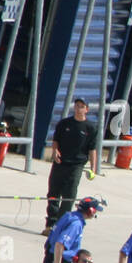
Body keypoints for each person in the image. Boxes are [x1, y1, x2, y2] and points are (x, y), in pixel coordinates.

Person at [43, 97, 98, 234]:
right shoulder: (64, 123)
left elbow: (92, 149)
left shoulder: (91, 128)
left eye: (82, 106)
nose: (78, 108)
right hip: (60, 163)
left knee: (69, 196)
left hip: (76, 165)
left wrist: (93, 168)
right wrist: (55, 151)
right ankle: (50, 225)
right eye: (77, 105)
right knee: (53, 194)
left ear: (87, 109)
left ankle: (59, 226)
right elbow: (55, 140)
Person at [43, 196, 104, 263]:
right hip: (60, 261)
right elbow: (59, 244)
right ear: (91, 211)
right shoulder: (76, 224)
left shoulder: (70, 216)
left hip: (52, 257)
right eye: (95, 210)